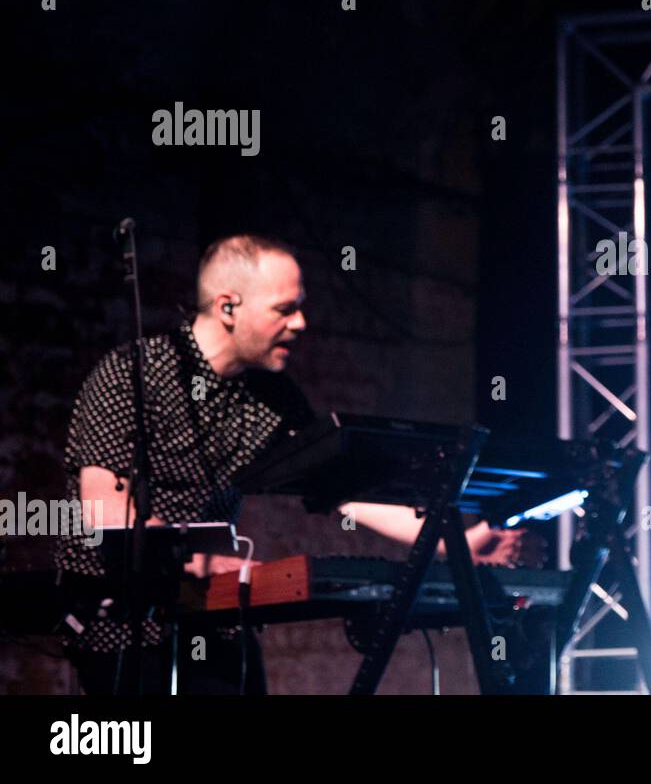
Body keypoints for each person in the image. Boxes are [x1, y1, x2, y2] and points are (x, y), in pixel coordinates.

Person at [54, 234, 541, 695]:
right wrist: (191, 558)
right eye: (285, 309)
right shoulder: (134, 374)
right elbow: (104, 510)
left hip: (213, 616)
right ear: (228, 307)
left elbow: (345, 489)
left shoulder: (272, 396)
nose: (302, 323)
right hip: (121, 628)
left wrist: (455, 541)